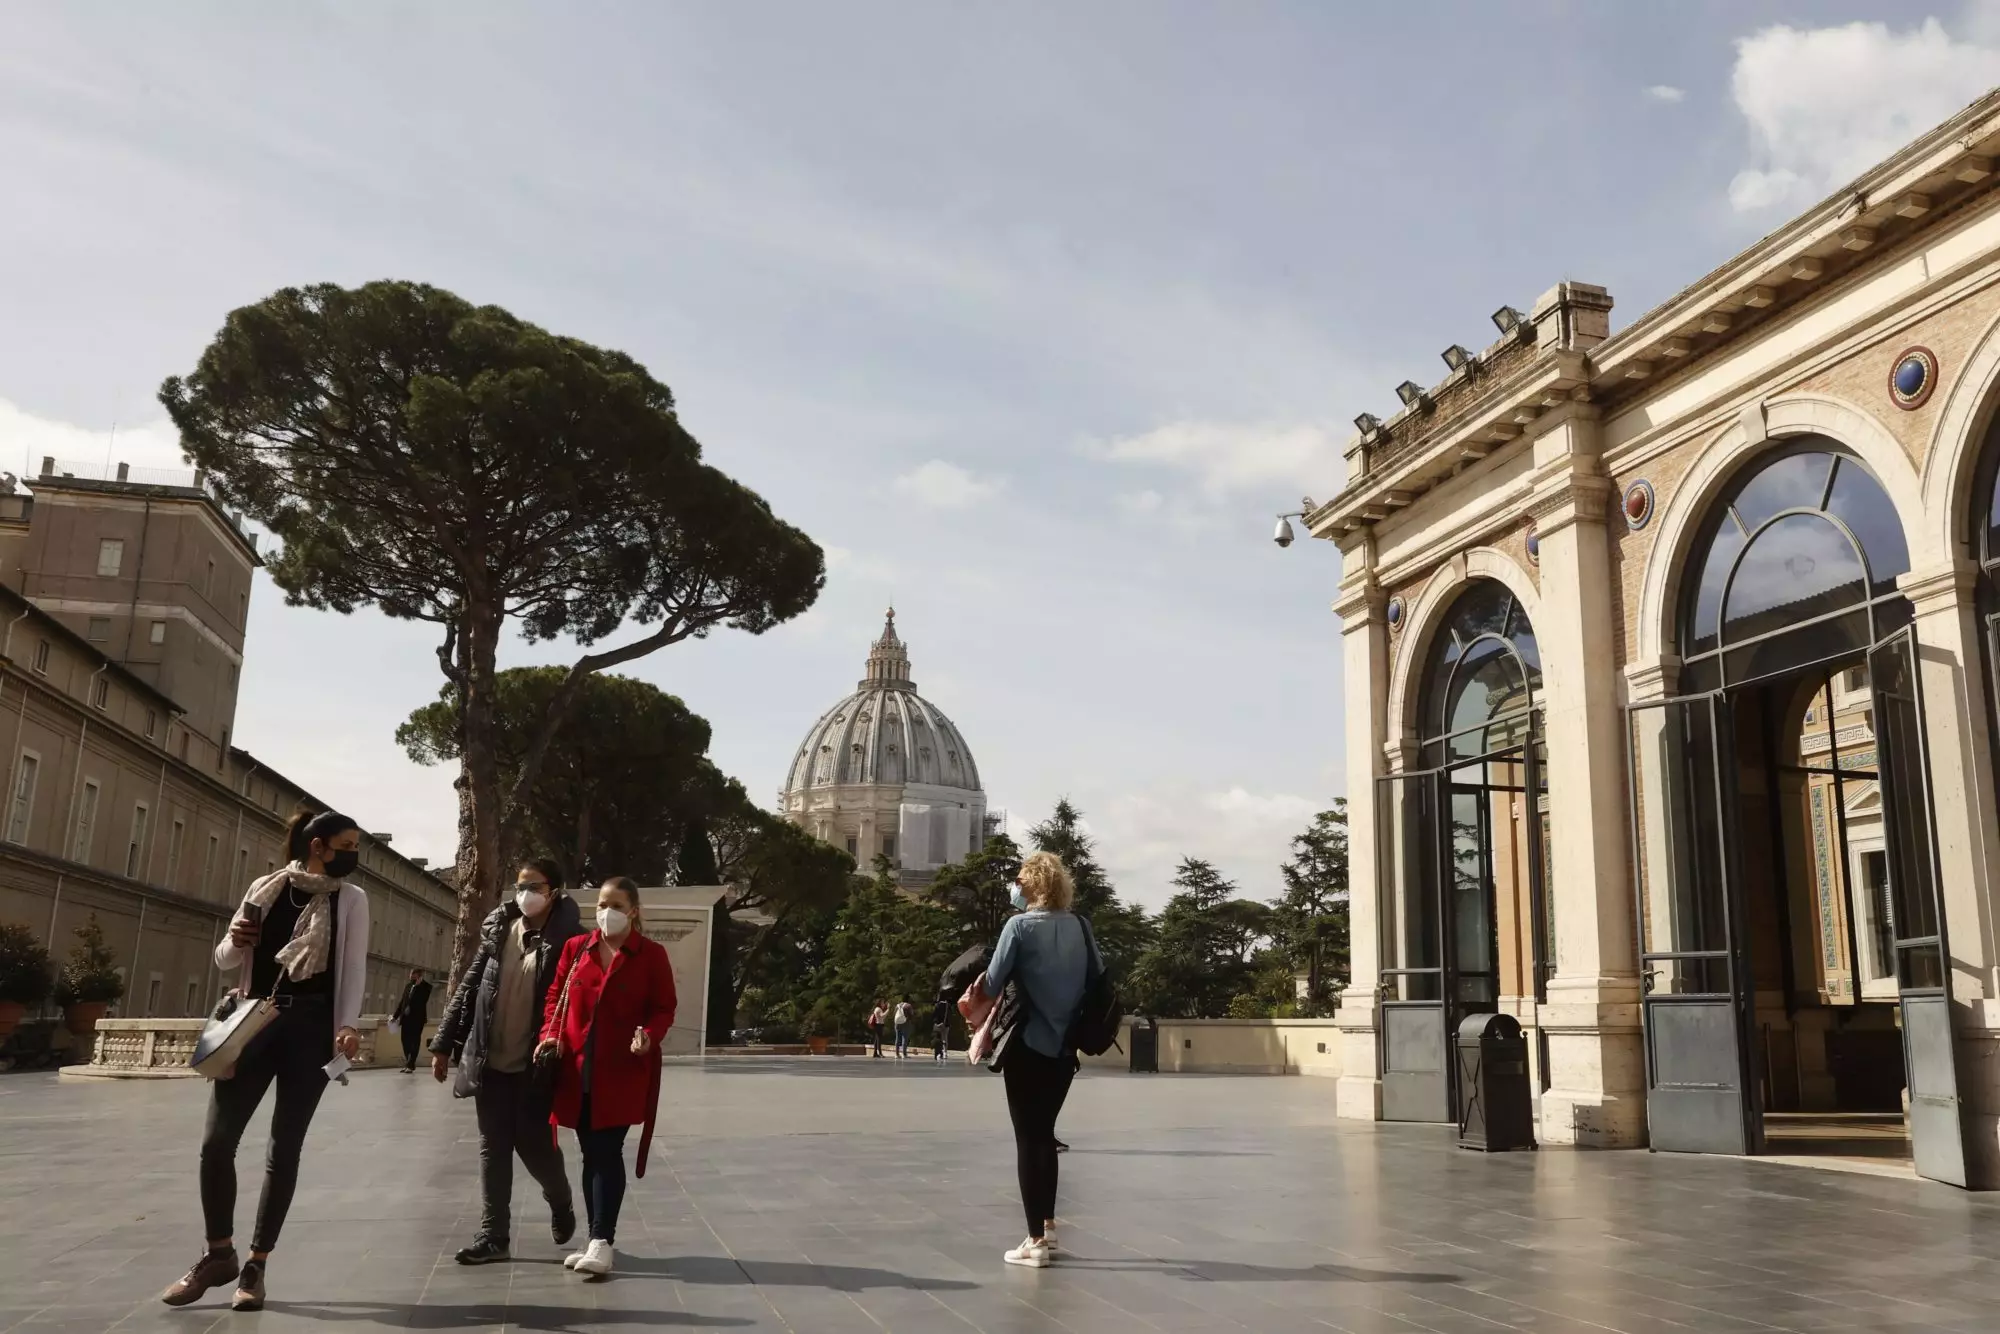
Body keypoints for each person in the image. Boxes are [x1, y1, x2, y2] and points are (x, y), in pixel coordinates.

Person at [161, 809, 370, 1312]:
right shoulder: (266, 887)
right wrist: (234, 938)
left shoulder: (351, 900)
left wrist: (346, 1024)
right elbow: (226, 960)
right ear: (318, 845)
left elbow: (352, 966)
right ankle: (218, 1255)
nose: (353, 855)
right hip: (253, 1024)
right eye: (346, 845)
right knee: (217, 1143)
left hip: (312, 1031)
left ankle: (255, 1265)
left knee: (284, 1148)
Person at [430, 858, 584, 1265]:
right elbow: (469, 985)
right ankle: (493, 1234)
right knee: (492, 1146)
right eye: (520, 885)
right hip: (490, 1057)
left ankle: (560, 1199)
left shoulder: (574, 941)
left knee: (533, 1145)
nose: (525, 893)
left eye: (534, 885)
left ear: (555, 891)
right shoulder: (499, 933)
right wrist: (444, 1042)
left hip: (537, 1063)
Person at [538, 877, 676, 1277]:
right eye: (601, 903)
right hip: (575, 1069)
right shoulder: (576, 949)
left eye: (616, 904)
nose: (606, 911)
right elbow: (554, 998)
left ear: (633, 910)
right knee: (589, 1152)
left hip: (622, 1072)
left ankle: (602, 1239)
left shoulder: (651, 955)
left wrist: (649, 1035)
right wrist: (550, 1035)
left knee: (606, 1151)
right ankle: (596, 1238)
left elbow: (664, 1007)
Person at [981, 851, 1098, 1269]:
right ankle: (1047, 1228)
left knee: (1028, 1140)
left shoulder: (1018, 926)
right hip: (1066, 1047)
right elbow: (1096, 979)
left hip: (1027, 1045)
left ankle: (1033, 1241)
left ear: (1031, 884)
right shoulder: (1081, 927)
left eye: (1018, 880)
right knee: (1045, 1134)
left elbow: (993, 982)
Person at [392, 967, 433, 1072]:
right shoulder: (408, 986)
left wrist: (418, 987)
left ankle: (410, 1065)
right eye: (410, 975)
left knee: (414, 1041)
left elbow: (422, 1001)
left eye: (412, 975)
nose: (410, 977)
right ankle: (409, 1063)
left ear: (419, 976)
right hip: (405, 1018)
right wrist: (395, 1016)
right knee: (405, 1041)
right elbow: (402, 1002)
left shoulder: (426, 987)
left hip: (417, 1019)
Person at [931, 992, 951, 1062]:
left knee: (938, 1039)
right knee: (945, 1038)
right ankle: (945, 1052)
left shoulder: (937, 1005)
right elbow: (949, 1015)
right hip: (946, 1024)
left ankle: (939, 1052)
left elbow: (934, 1015)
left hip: (938, 1024)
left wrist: (936, 1023)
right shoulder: (948, 1005)